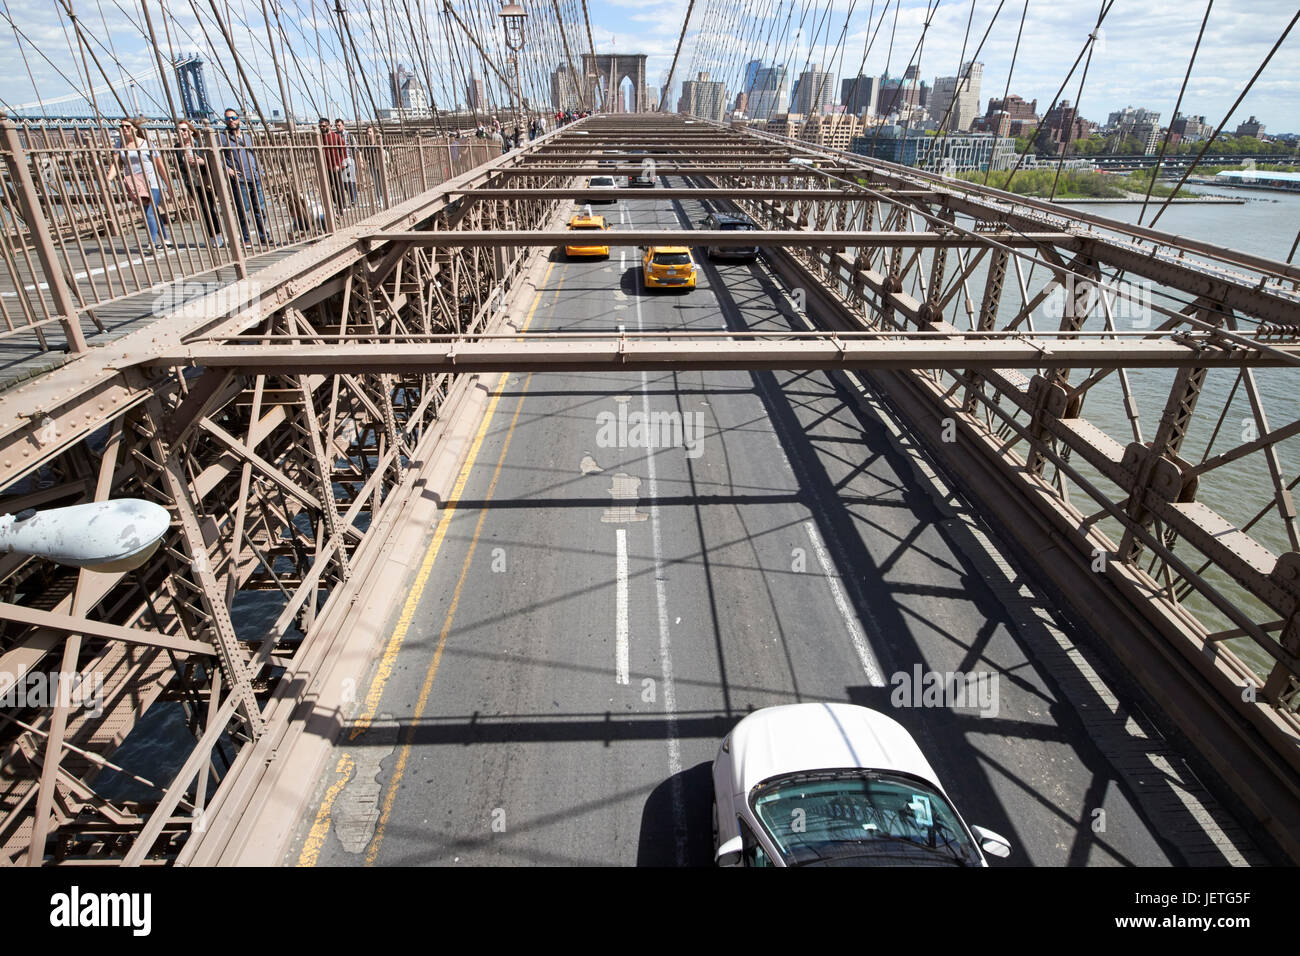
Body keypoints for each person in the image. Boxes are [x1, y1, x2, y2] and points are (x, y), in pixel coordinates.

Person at [107, 116, 173, 252]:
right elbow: (116, 164)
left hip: (151, 181)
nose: (124, 129)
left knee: (149, 211)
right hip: (135, 183)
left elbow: (160, 166)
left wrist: (168, 186)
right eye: (122, 126)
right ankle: (165, 239)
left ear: (135, 129)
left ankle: (152, 243)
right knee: (152, 212)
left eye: (127, 126)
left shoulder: (146, 144)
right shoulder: (119, 145)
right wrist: (108, 179)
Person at [217, 108, 269, 245]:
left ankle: (264, 236)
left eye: (233, 118)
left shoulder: (246, 137)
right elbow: (215, 156)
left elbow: (253, 155)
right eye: (228, 118)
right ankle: (246, 239)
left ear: (238, 119)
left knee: (260, 209)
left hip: (254, 177)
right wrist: (227, 168)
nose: (231, 121)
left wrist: (260, 171)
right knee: (243, 211)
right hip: (239, 180)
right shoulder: (222, 137)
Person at [173, 119, 224, 248]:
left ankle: (219, 234)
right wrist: (185, 163)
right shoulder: (177, 147)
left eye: (184, 130)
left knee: (210, 208)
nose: (181, 133)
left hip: (206, 179)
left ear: (191, 131)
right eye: (178, 130)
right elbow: (178, 166)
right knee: (204, 209)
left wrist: (202, 162)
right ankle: (213, 236)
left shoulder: (200, 143)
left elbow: (214, 161)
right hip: (191, 182)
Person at [319, 117, 348, 212]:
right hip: (325, 167)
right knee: (328, 187)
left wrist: (339, 165)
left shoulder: (336, 137)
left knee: (338, 186)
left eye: (324, 126)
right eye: (320, 126)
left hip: (336, 166)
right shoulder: (319, 139)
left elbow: (343, 152)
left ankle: (341, 206)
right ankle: (336, 203)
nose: (322, 127)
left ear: (329, 126)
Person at [361, 124, 387, 209]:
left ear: (374, 133)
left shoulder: (378, 141)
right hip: (372, 165)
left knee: (383, 182)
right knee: (376, 183)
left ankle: (386, 198)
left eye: (370, 132)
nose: (368, 134)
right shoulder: (366, 144)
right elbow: (365, 154)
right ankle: (380, 200)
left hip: (380, 164)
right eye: (367, 132)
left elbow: (385, 150)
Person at [335, 118, 359, 207]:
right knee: (343, 182)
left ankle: (353, 200)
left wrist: (356, 159)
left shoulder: (349, 135)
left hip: (349, 160)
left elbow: (355, 148)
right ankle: (350, 197)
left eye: (339, 125)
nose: (337, 127)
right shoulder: (335, 136)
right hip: (340, 161)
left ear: (343, 125)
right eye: (336, 125)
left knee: (350, 180)